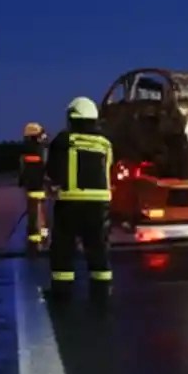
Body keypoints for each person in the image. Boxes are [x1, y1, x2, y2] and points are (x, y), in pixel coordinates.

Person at [44, 97, 114, 301]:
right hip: (100, 204)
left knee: (63, 247)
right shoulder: (105, 143)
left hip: (70, 203)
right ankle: (102, 290)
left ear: (72, 117)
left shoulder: (64, 140)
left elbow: (54, 173)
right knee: (98, 247)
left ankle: (62, 292)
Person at [17, 122, 49, 250]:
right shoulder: (42, 149)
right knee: (39, 208)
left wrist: (21, 180)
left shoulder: (25, 150)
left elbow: (22, 168)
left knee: (33, 209)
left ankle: (35, 235)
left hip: (31, 185)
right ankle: (40, 233)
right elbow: (47, 165)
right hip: (40, 184)